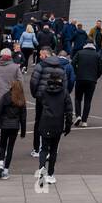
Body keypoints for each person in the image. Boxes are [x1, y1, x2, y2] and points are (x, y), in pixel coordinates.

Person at [35, 55, 72, 186]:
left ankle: (41, 170)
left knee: (43, 149)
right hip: (57, 123)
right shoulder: (64, 93)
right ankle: (50, 174)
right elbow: (69, 111)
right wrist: (68, 126)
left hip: (45, 122)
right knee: (53, 150)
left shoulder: (44, 92)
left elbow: (40, 102)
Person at [0, 80, 27, 180]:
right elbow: (23, 117)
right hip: (15, 126)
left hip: (5, 125)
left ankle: (1, 163)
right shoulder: (21, 99)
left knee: (2, 144)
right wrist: (23, 131)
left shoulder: (6, 96)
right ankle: (6, 170)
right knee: (10, 147)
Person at [72, 41, 102, 127]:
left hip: (80, 79)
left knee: (78, 98)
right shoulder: (97, 55)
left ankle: (78, 115)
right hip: (91, 80)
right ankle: (84, 120)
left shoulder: (79, 53)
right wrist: (96, 77)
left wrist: (76, 73)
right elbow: (101, 68)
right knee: (88, 100)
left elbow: (73, 63)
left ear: (85, 45)